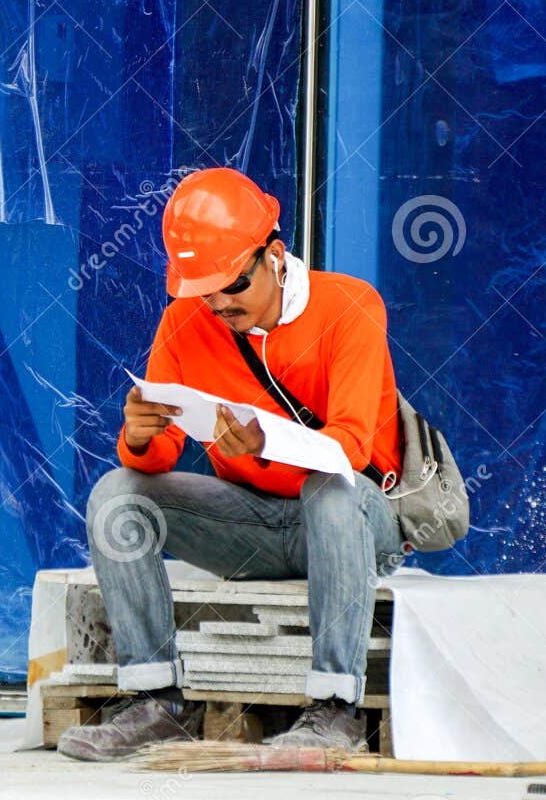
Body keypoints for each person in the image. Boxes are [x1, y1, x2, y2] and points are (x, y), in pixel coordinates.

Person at [58, 168, 405, 761]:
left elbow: (348, 448)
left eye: (232, 285)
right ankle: (155, 702)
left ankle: (334, 709)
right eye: (203, 290)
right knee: (117, 492)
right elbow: (161, 455)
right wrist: (140, 437)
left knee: (329, 490)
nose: (218, 303)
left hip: (354, 521)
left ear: (274, 255)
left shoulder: (350, 306)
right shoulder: (184, 323)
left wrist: (266, 443)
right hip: (256, 524)